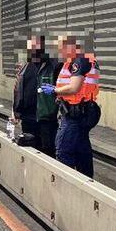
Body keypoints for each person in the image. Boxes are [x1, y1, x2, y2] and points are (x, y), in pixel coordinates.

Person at [41, 35, 99, 177]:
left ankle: (66, 186)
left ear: (70, 47)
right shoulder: (78, 60)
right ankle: (87, 184)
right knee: (81, 150)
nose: (59, 53)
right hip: (79, 111)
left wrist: (54, 90)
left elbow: (74, 88)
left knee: (63, 150)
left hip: (76, 114)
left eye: (60, 49)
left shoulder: (79, 61)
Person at [11, 35, 60, 156]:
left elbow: (62, 88)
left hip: (46, 118)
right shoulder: (24, 67)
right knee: (30, 151)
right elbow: (17, 89)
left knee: (48, 151)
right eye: (31, 47)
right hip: (28, 118)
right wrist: (14, 111)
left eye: (36, 46)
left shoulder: (54, 66)